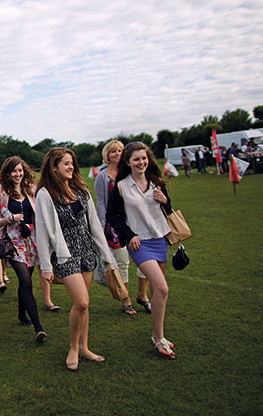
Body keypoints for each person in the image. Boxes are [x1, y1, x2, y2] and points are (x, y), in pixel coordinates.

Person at [35, 148, 116, 371]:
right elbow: (41, 231)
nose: (71, 167)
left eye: (72, 164)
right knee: (81, 302)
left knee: (84, 304)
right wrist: (46, 266)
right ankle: (72, 347)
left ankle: (84, 347)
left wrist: (106, 256)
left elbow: (94, 225)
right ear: (54, 167)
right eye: (66, 164)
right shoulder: (45, 193)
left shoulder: (80, 189)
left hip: (86, 249)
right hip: (64, 253)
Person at [106, 141, 176, 360]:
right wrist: (129, 235)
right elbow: (111, 216)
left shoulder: (156, 181)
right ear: (128, 162)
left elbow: (167, 209)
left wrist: (166, 201)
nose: (141, 162)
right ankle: (159, 338)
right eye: (136, 159)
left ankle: (157, 334)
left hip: (160, 239)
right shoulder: (121, 187)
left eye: (144, 158)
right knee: (163, 289)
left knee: (158, 291)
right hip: (139, 243)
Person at [0, 156, 47, 341]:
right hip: (13, 241)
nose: (17, 174)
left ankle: (21, 314)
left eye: (20, 170)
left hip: (31, 239)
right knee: (25, 280)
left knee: (27, 280)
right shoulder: (0, 193)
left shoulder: (31, 190)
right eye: (14, 171)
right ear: (7, 173)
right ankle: (38, 328)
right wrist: (10, 218)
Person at [94, 140, 137, 315]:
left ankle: (143, 295)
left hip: (134, 221)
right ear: (107, 155)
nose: (117, 153)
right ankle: (126, 300)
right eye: (113, 151)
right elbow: (102, 204)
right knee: (122, 262)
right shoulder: (102, 176)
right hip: (114, 226)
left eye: (120, 150)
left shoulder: (129, 172)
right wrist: (101, 229)